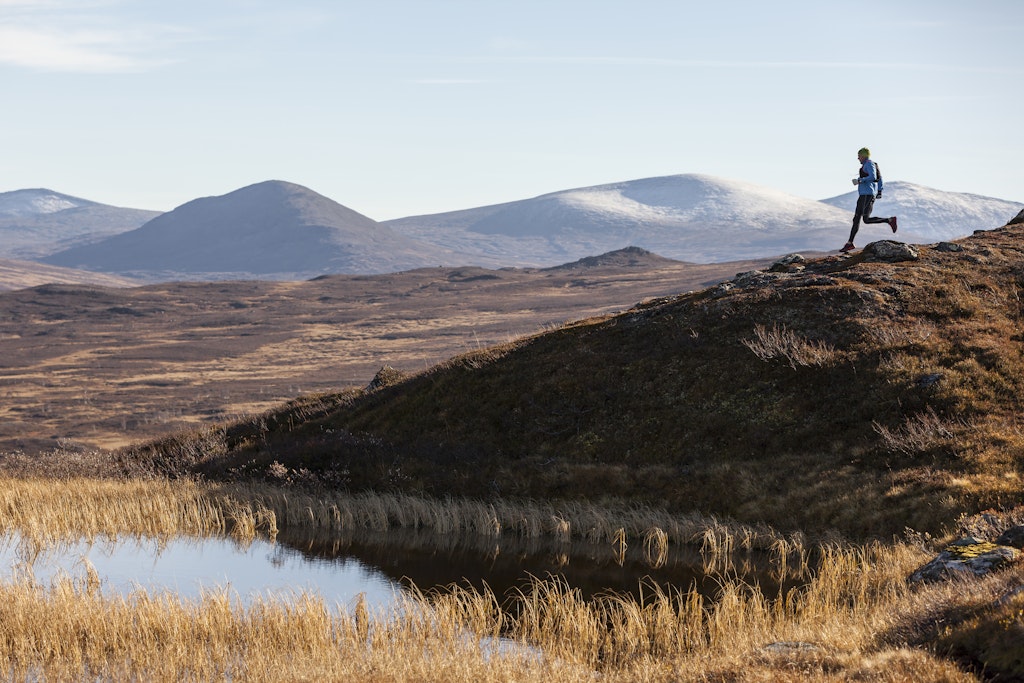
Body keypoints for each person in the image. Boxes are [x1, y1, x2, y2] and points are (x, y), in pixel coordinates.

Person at [840, 147, 897, 253]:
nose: (858, 158)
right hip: (864, 194)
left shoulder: (869, 164)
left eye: (859, 156)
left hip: (868, 194)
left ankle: (890, 220)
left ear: (864, 156)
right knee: (856, 219)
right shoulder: (869, 164)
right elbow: (879, 178)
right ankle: (849, 243)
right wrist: (879, 190)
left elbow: (873, 177)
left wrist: (860, 180)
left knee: (866, 219)